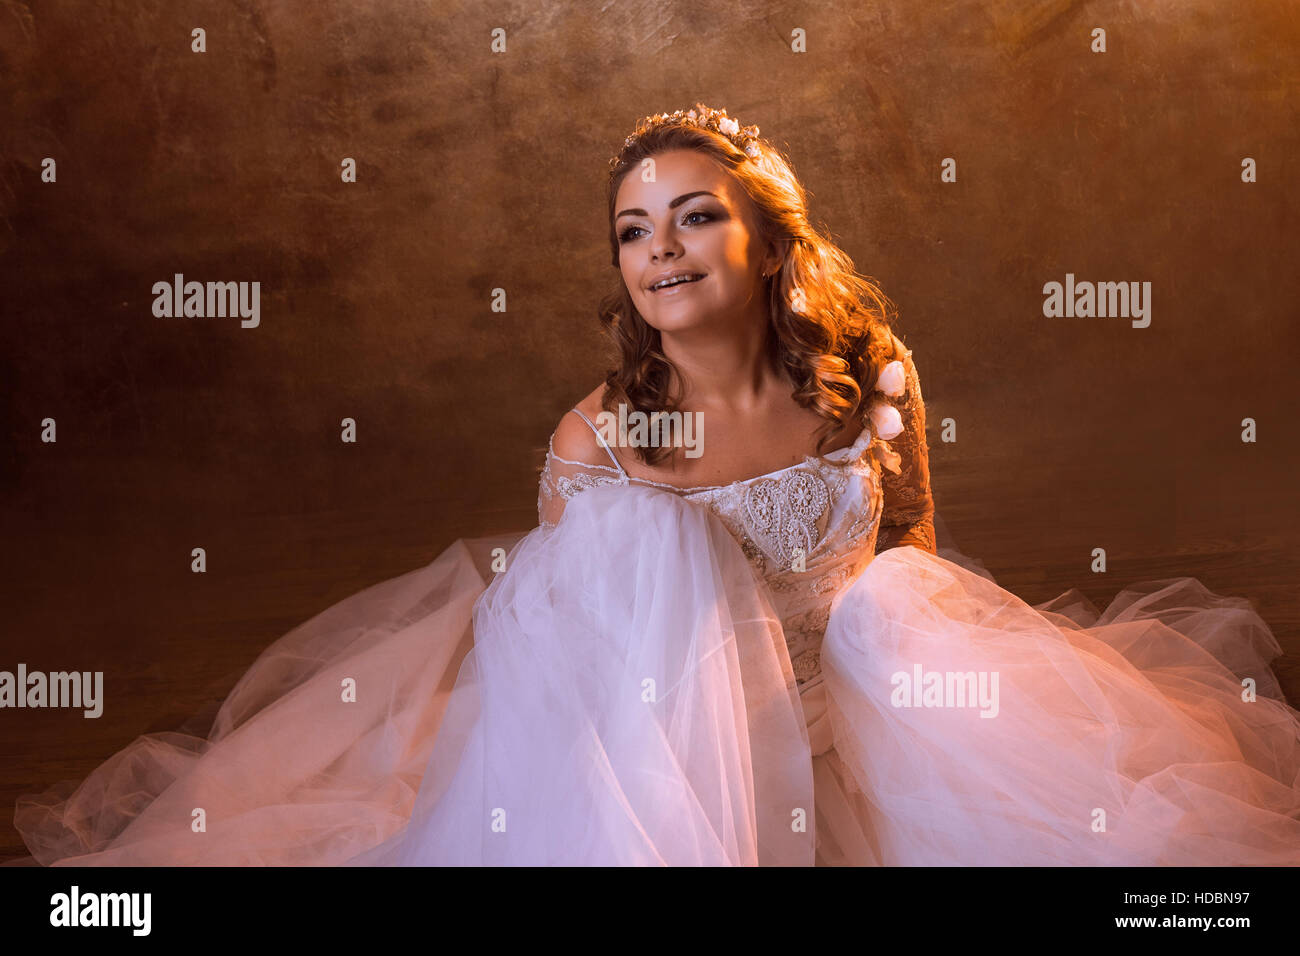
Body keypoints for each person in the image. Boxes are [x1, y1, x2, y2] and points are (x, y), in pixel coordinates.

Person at [16, 104, 1300, 866]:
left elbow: (911, 545)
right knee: (652, 554)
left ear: (769, 238)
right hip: (675, 753)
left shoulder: (872, 375)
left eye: (694, 215)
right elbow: (580, 673)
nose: (659, 251)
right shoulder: (606, 439)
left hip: (871, 728)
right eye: (634, 229)